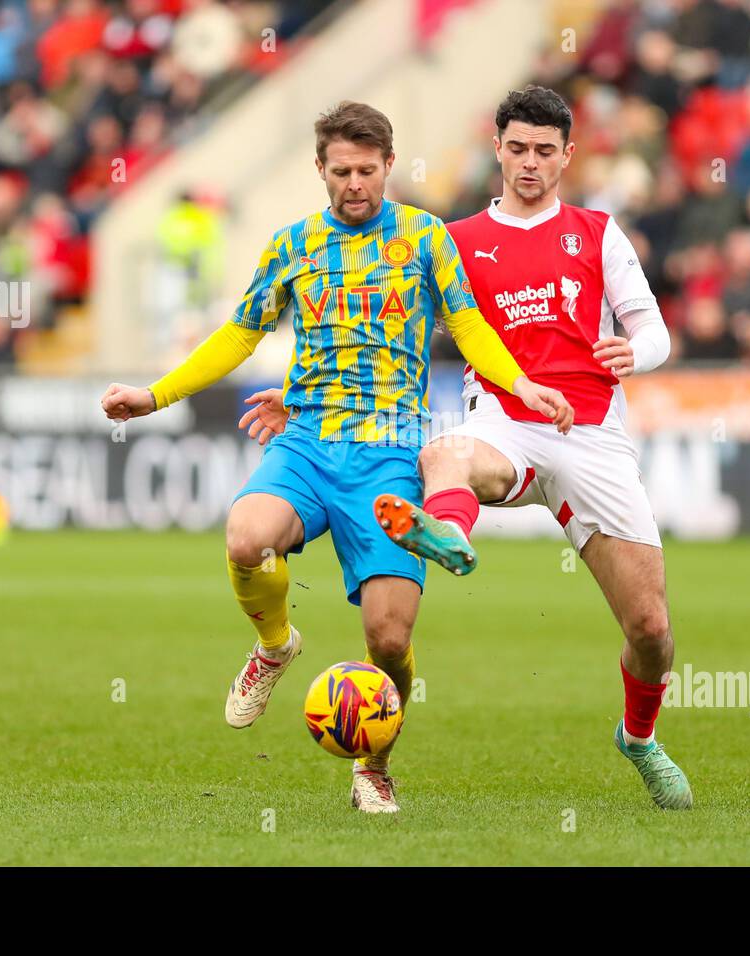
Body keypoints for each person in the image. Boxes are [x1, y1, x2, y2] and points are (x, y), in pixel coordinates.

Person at [102, 100, 572, 814]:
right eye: (340, 171)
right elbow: (238, 335)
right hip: (308, 441)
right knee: (246, 536)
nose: (355, 184)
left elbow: (469, 325)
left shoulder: (423, 237)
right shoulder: (293, 245)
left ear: (389, 165)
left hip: (389, 453)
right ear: (319, 170)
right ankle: (274, 644)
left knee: (388, 638)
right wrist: (154, 395)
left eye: (367, 170)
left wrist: (521, 383)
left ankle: (373, 767)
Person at [239, 88, 691, 809]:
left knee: (652, 629)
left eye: (545, 150)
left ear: (567, 155)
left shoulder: (597, 233)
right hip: (503, 424)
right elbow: (375, 329)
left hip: (591, 431)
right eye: (518, 148)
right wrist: (305, 397)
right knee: (442, 454)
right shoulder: (452, 240)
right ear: (498, 149)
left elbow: (656, 329)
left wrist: (638, 352)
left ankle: (638, 737)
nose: (530, 163)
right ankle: (446, 531)